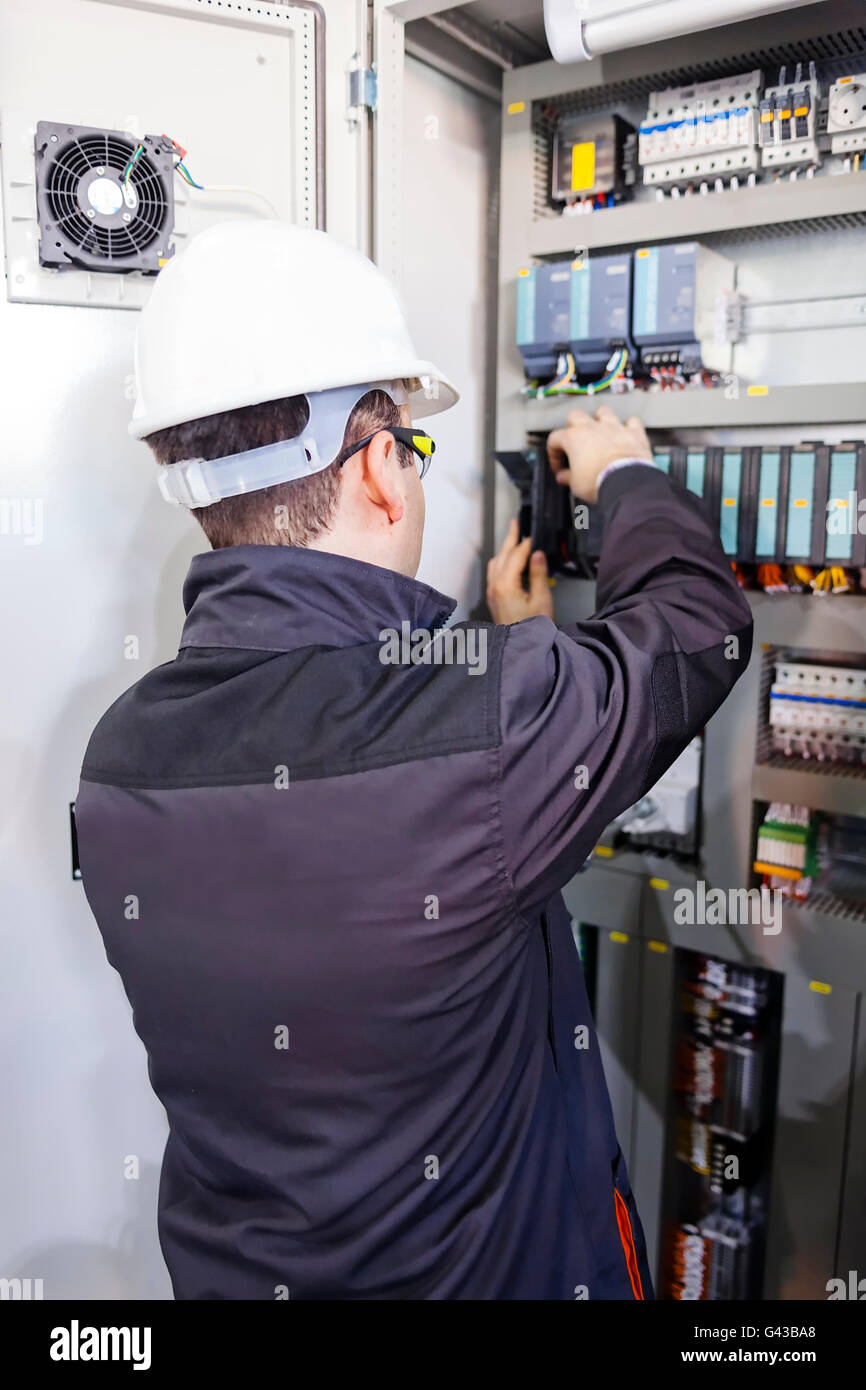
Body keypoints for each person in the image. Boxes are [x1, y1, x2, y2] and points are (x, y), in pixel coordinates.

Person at [77, 219, 753, 1300]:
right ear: (387, 470)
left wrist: (493, 661)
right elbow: (694, 623)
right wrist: (624, 474)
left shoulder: (120, 757)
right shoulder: (481, 731)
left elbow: (367, 817)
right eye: (415, 451)